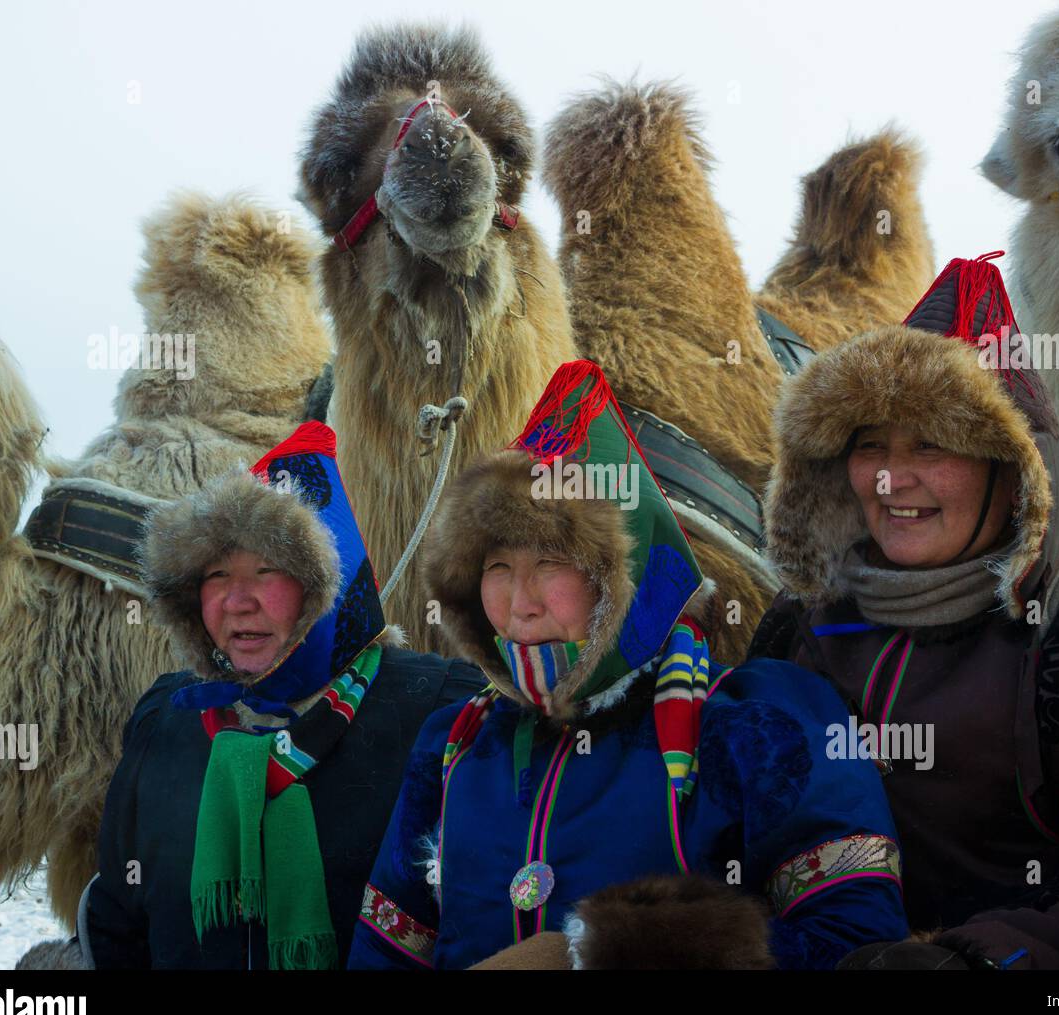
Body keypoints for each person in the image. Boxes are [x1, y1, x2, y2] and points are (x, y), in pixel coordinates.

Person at [750, 252, 1059, 969]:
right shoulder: (803, 629)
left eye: (933, 443)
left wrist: (977, 961)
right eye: (869, 444)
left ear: (1014, 467)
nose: (892, 476)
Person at [347, 361, 909, 970]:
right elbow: (386, 953)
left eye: (552, 564)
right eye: (497, 568)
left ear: (628, 580)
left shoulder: (759, 723)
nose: (519, 603)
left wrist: (587, 954)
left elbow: (854, 941)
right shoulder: (454, 745)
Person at [85, 422, 486, 968]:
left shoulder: (434, 708)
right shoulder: (168, 721)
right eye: (217, 574)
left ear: (328, 586)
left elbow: (475, 918)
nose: (236, 601)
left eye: (267, 570)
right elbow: (118, 919)